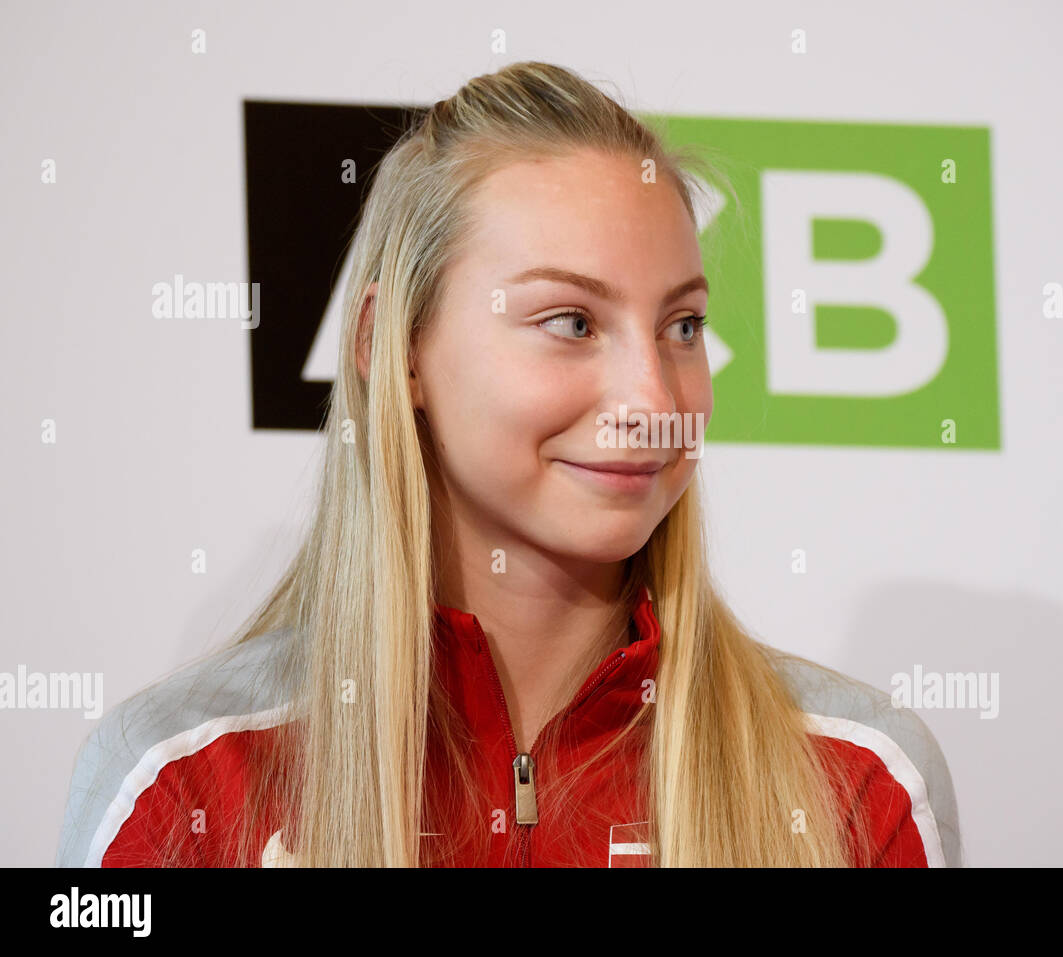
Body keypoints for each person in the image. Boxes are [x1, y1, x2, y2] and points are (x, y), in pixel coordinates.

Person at [56, 61, 961, 868]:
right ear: (393, 347)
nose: (653, 400)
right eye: (571, 322)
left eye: (682, 326)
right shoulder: (184, 782)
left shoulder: (857, 782)